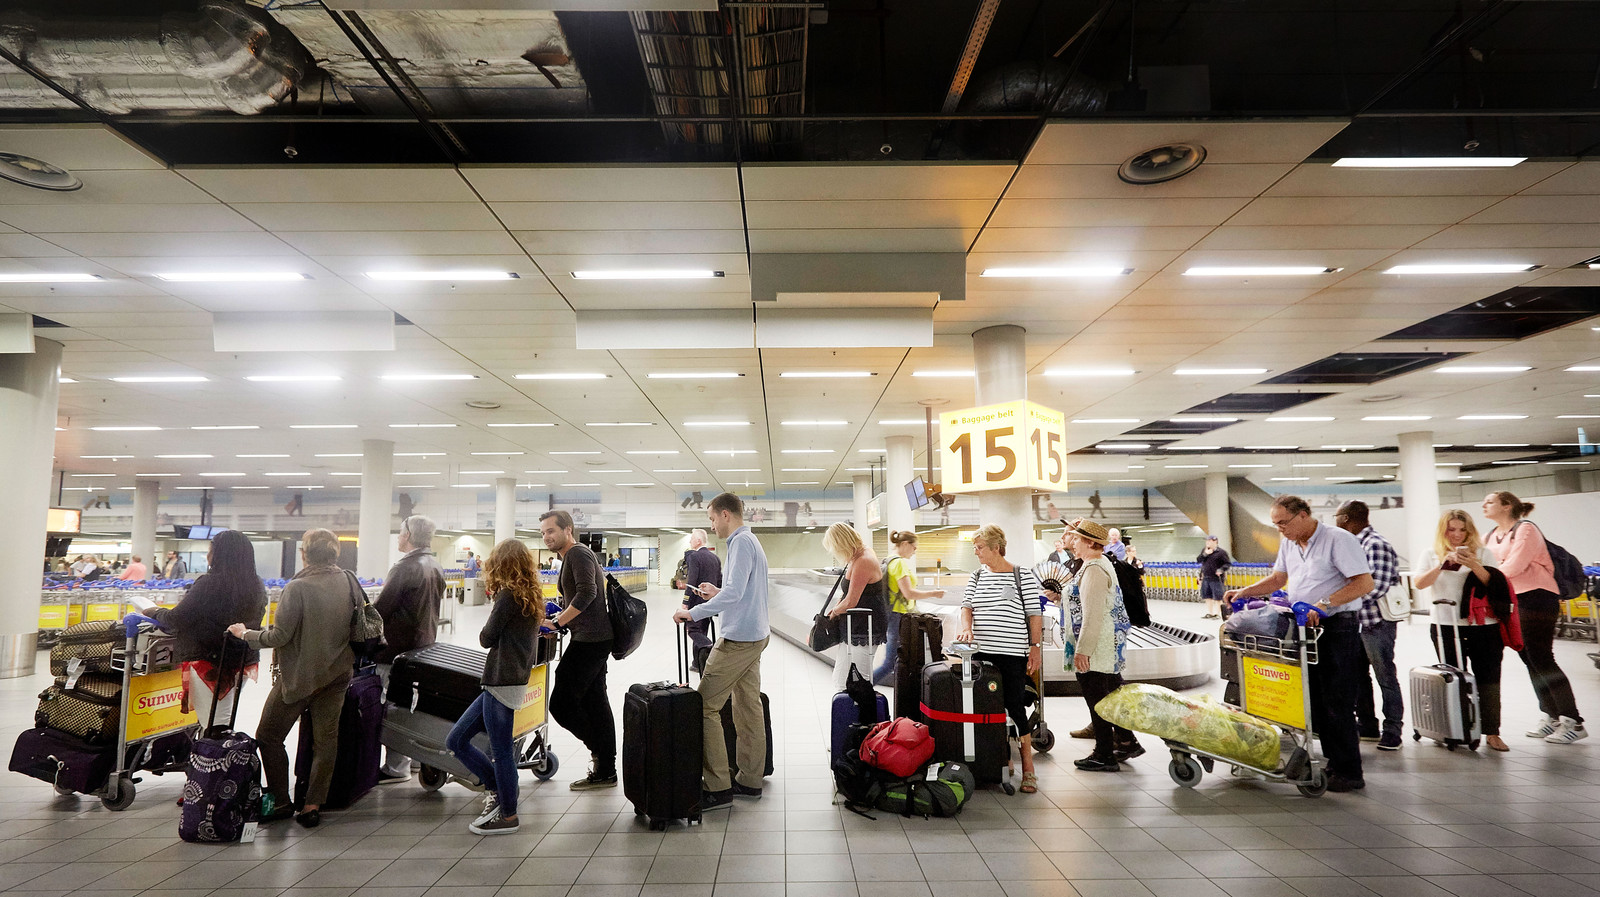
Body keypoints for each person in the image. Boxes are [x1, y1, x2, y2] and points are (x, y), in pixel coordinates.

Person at [1223, 495, 1374, 792]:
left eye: (1283, 522)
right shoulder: (1290, 542)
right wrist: (1245, 591)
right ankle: (1333, 762)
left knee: (1337, 698)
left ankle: (1349, 771)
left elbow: (1364, 583)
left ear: (1304, 515)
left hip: (1336, 626)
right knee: (1315, 697)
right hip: (1304, 625)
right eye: (1275, 524)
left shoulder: (1337, 540)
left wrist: (1324, 604)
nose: (1280, 529)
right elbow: (1279, 578)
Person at [228, 529, 357, 828]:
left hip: (299, 678)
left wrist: (244, 634)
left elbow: (279, 636)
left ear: (305, 553)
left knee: (269, 735)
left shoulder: (298, 587)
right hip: (337, 674)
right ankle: (312, 804)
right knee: (326, 742)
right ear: (335, 552)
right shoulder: (348, 580)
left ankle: (280, 801)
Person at [674, 492, 771, 812]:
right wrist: (716, 592)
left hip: (739, 638)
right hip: (754, 633)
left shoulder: (741, 543)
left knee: (704, 706)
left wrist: (694, 613)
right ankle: (750, 778)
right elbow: (737, 591)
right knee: (747, 707)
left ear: (726, 514)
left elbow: (734, 595)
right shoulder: (749, 542)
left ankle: (717, 786)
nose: (712, 525)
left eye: (713, 518)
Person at [449, 539, 543, 836]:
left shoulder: (507, 595)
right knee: (457, 739)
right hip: (508, 679)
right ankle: (496, 789)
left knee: (501, 751)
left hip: (501, 680)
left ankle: (508, 813)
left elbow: (486, 638)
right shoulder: (531, 594)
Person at [1483, 491, 1586, 744]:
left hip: (1538, 598)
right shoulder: (1490, 535)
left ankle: (1574, 720)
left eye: (1490, 502)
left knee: (1542, 656)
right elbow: (1489, 564)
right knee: (1529, 658)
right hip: (1513, 600)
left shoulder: (1526, 529)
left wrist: (1490, 575)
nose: (1484, 505)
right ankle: (1551, 715)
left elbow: (1514, 566)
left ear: (1507, 506)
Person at [145, 530, 268, 730]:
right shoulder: (256, 584)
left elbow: (177, 619)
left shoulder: (209, 583)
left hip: (209, 662)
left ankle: (217, 759)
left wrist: (153, 611)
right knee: (221, 719)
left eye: (211, 550)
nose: (208, 556)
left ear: (221, 554)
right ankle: (218, 755)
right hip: (242, 660)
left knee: (215, 725)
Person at [953, 524, 1044, 794]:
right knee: (988, 708)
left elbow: (1034, 614)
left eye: (980, 548)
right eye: (975, 548)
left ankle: (1028, 766)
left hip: (1012, 653)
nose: (976, 552)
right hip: (982, 652)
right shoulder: (977, 576)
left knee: (1014, 706)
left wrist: (1035, 647)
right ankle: (1003, 758)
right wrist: (967, 627)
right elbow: (966, 607)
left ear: (996, 548)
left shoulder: (1021, 575)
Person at [1414, 509, 1508, 752]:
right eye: (1451, 529)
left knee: (1488, 678)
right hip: (1445, 624)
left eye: (1462, 529)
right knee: (1454, 678)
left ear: (1470, 531)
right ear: (1443, 531)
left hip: (1483, 625)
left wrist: (1473, 563)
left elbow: (1494, 583)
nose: (1457, 535)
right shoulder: (1431, 553)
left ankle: (1492, 732)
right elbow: (1420, 583)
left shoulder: (1484, 552)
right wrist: (1442, 565)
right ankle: (1457, 728)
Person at [541, 510, 617, 789]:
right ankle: (606, 769)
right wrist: (557, 617)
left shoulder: (577, 554)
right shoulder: (570, 557)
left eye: (551, 531)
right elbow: (580, 596)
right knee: (596, 701)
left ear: (568, 529)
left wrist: (557, 622)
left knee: (561, 704)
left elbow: (588, 593)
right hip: (591, 637)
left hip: (592, 640)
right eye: (543, 533)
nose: (547, 536)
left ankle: (599, 751)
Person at [1051, 519, 1135, 771]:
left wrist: (1083, 650)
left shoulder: (1095, 569)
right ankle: (1120, 744)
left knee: (1097, 701)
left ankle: (1104, 754)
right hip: (1102, 643)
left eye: (1076, 539)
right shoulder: (1095, 564)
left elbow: (1093, 614)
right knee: (1105, 698)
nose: (1072, 542)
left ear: (1090, 542)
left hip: (1097, 647)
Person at [373, 514, 445, 784]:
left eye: (401, 532)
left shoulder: (404, 568)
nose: (399, 536)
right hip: (423, 645)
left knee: (393, 705)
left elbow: (381, 610)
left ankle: (395, 766)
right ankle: (415, 759)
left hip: (397, 650)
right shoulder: (434, 565)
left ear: (409, 536)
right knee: (412, 704)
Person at [1336, 501, 1404, 752]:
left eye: (1337, 517)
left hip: (1376, 623)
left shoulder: (1375, 544)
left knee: (1385, 675)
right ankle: (1367, 725)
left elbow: (1374, 586)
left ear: (1345, 518)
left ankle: (1393, 729)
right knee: (1358, 676)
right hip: (1357, 622)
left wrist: (1339, 599)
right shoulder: (1354, 544)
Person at [820, 523, 888, 691]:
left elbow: (851, 601)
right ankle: (845, 713)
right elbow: (848, 594)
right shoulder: (858, 556)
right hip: (855, 626)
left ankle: (863, 716)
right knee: (841, 677)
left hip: (864, 627)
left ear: (841, 543)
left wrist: (834, 612)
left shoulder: (863, 560)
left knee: (860, 679)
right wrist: (837, 607)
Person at [872, 530, 945, 685]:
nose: (915, 551)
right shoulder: (899, 563)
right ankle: (862, 688)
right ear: (905, 544)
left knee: (898, 660)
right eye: (914, 547)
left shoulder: (888, 560)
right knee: (889, 663)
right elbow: (909, 593)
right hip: (899, 618)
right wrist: (934, 593)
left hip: (893, 615)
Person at [682, 529, 722, 673]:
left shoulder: (694, 557)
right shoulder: (715, 558)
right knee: (702, 630)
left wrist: (685, 602)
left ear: (698, 541)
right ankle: (697, 663)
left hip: (696, 601)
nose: (690, 541)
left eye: (692, 538)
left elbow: (691, 580)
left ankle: (710, 647)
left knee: (693, 630)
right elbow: (719, 581)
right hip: (711, 602)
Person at [1197, 535, 1231, 619]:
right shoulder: (1204, 551)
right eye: (1206, 541)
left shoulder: (1221, 552)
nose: (1207, 543)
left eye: (1209, 541)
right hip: (1206, 576)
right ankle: (1210, 612)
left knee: (1218, 596)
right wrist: (1205, 554)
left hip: (1216, 578)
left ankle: (1218, 613)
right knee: (1207, 595)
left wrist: (1221, 570)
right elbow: (1198, 560)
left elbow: (1227, 563)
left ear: (1215, 542)